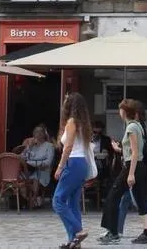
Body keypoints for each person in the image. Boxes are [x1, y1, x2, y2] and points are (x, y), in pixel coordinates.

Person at [100, 98, 147, 245]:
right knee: (141, 200)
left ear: (124, 112)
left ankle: (113, 232)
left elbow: (135, 152)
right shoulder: (139, 126)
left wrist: (130, 174)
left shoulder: (131, 128)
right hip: (140, 165)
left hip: (132, 166)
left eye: (120, 109)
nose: (119, 112)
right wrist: (119, 149)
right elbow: (133, 150)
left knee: (113, 196)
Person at [53, 93, 91, 248]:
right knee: (73, 203)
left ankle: (78, 231)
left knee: (58, 200)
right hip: (82, 163)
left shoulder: (71, 122)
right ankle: (74, 242)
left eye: (66, 100)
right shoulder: (83, 123)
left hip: (73, 163)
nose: (64, 102)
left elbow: (68, 147)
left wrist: (60, 166)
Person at [22, 125, 55, 206]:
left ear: (44, 134)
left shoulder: (49, 146)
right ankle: (27, 199)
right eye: (36, 132)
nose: (38, 134)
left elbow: (48, 162)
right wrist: (29, 147)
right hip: (29, 171)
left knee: (36, 179)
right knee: (21, 179)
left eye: (40, 132)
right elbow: (23, 157)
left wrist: (32, 163)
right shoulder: (31, 146)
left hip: (43, 171)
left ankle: (33, 199)